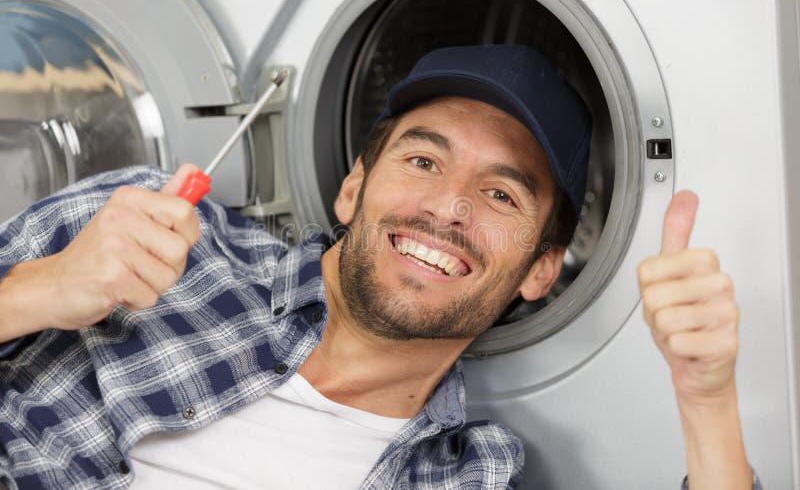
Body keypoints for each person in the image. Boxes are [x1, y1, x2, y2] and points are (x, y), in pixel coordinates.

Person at [0, 45, 758, 489]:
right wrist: (40, 292)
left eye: (500, 193)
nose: (449, 207)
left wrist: (707, 402)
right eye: (424, 159)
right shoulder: (142, 232)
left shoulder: (466, 476)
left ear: (542, 270)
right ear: (353, 185)